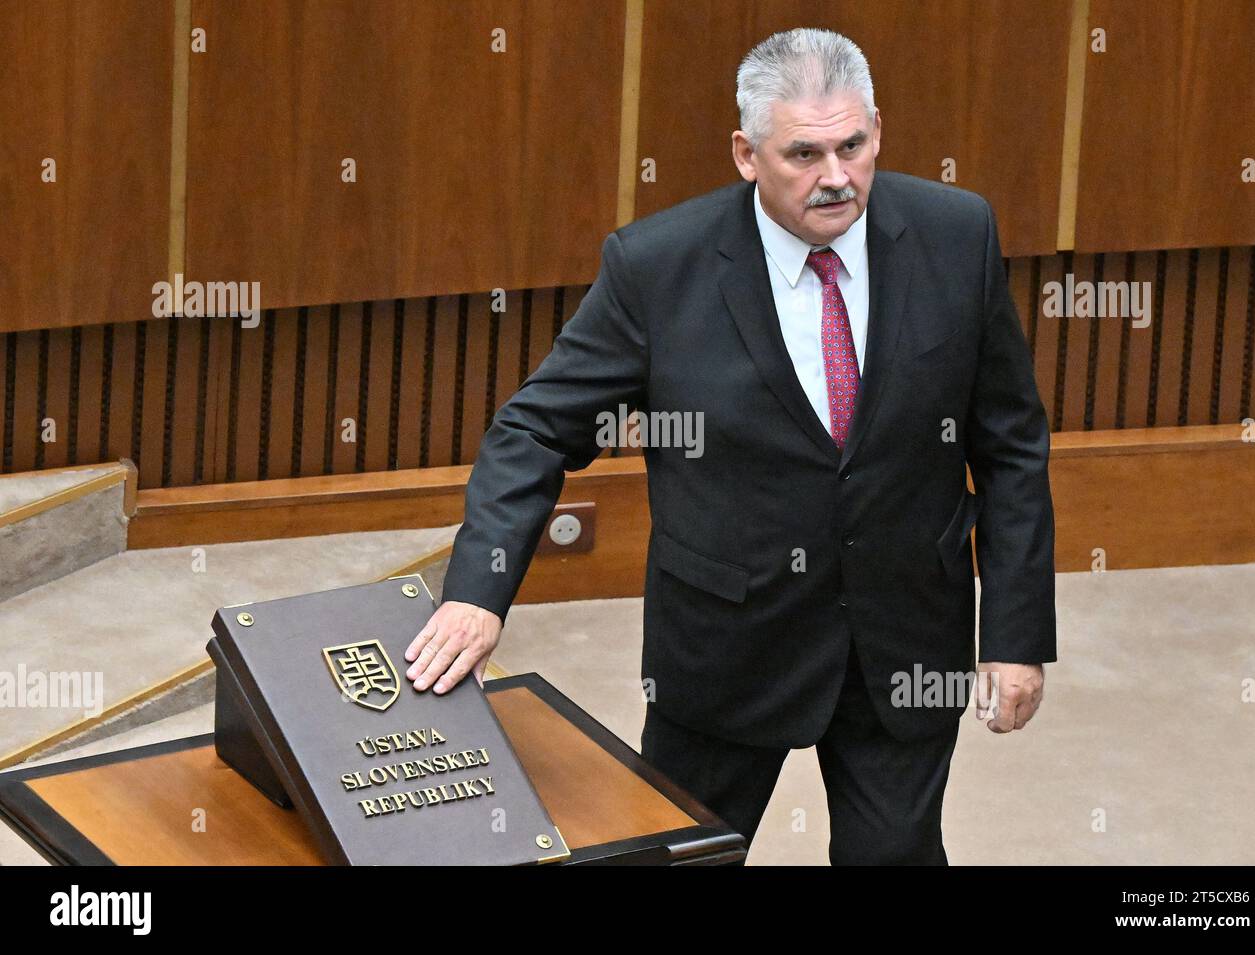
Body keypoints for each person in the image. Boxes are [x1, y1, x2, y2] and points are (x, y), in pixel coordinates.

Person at [403, 26, 1056, 865]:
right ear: (747, 154)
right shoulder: (657, 267)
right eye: (805, 154)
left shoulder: (957, 234)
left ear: (879, 130)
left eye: (853, 146)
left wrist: (1013, 630)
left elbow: (1010, 443)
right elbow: (535, 428)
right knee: (680, 859)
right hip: (726, 649)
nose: (837, 177)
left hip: (905, 639)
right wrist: (478, 593)